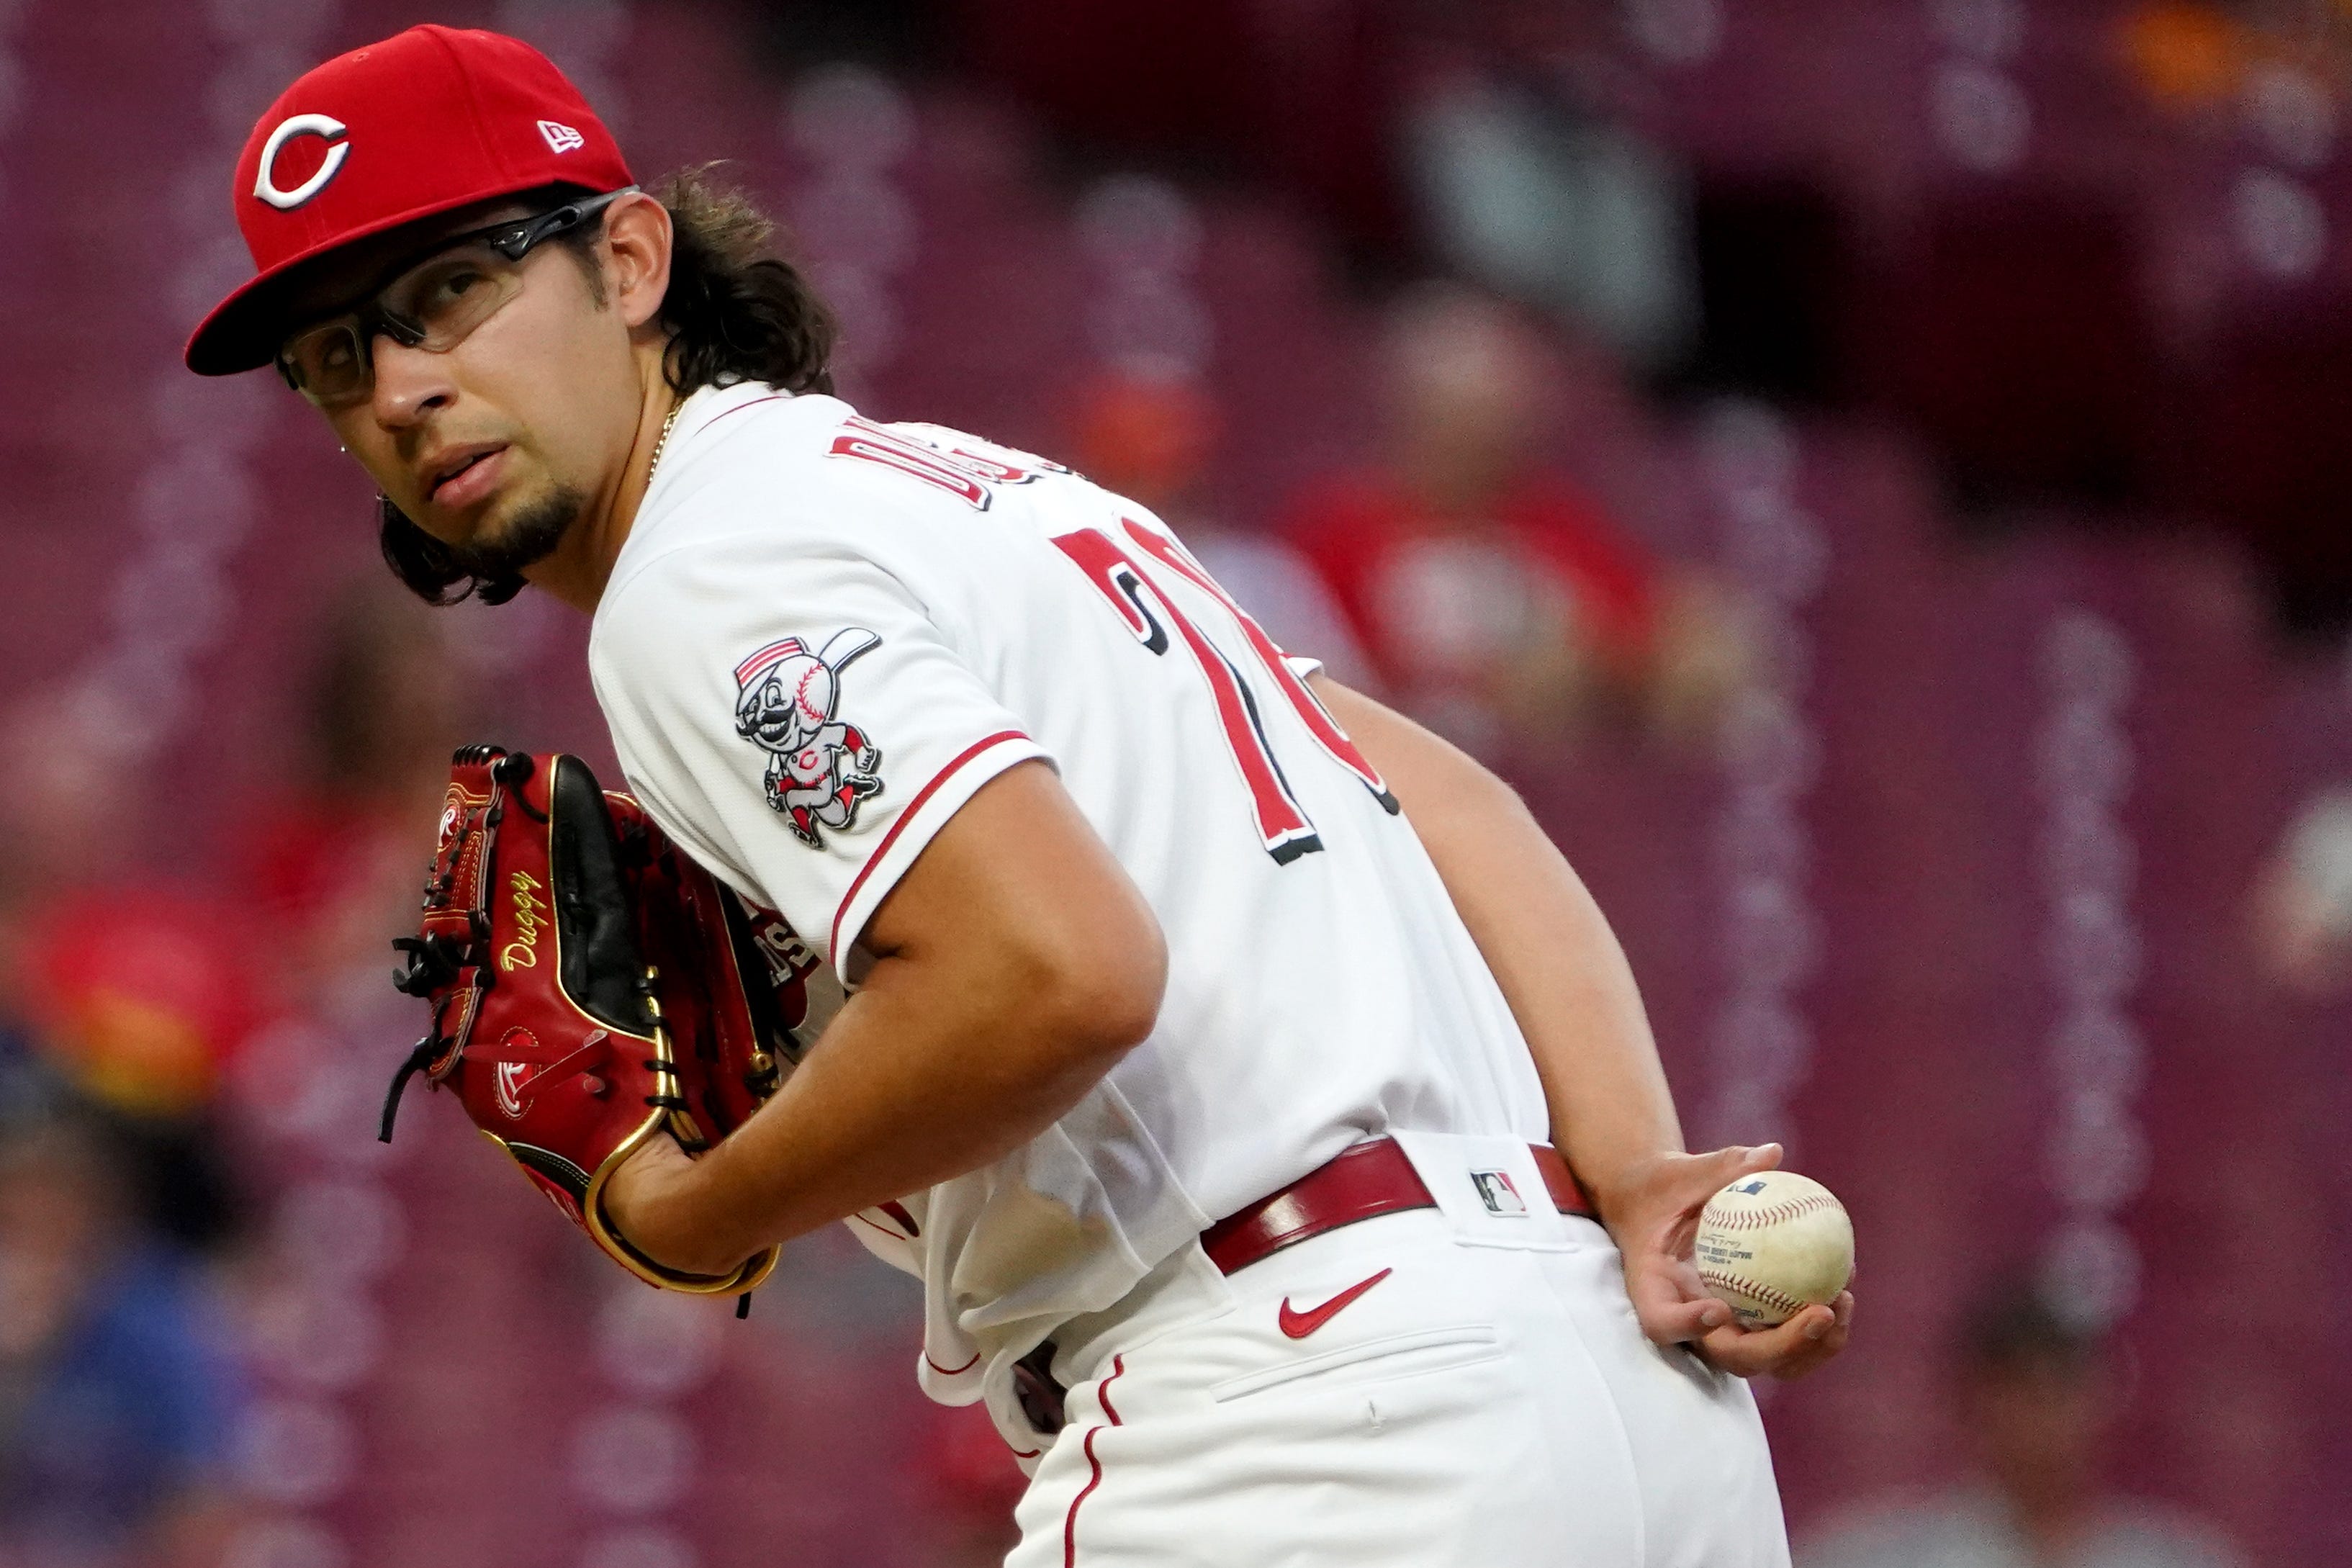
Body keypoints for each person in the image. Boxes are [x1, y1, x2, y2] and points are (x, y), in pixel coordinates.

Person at [185, 27, 1851, 1564]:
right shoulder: (998, 496)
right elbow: (1456, 805)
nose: (400, 386)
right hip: (1622, 1400)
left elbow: (1056, 973)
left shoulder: (703, 573)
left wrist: (693, 1213)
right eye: (342, 356)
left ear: (628, 260)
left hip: (1311, 1421)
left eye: (455, 290)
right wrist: (1631, 1169)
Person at [1801, 1285, 2239, 1568]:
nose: (2046, 1416)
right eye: (2023, 1389)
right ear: (1971, 1402)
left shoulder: (2178, 1558)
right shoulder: (1878, 1556)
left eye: (2065, 1385)